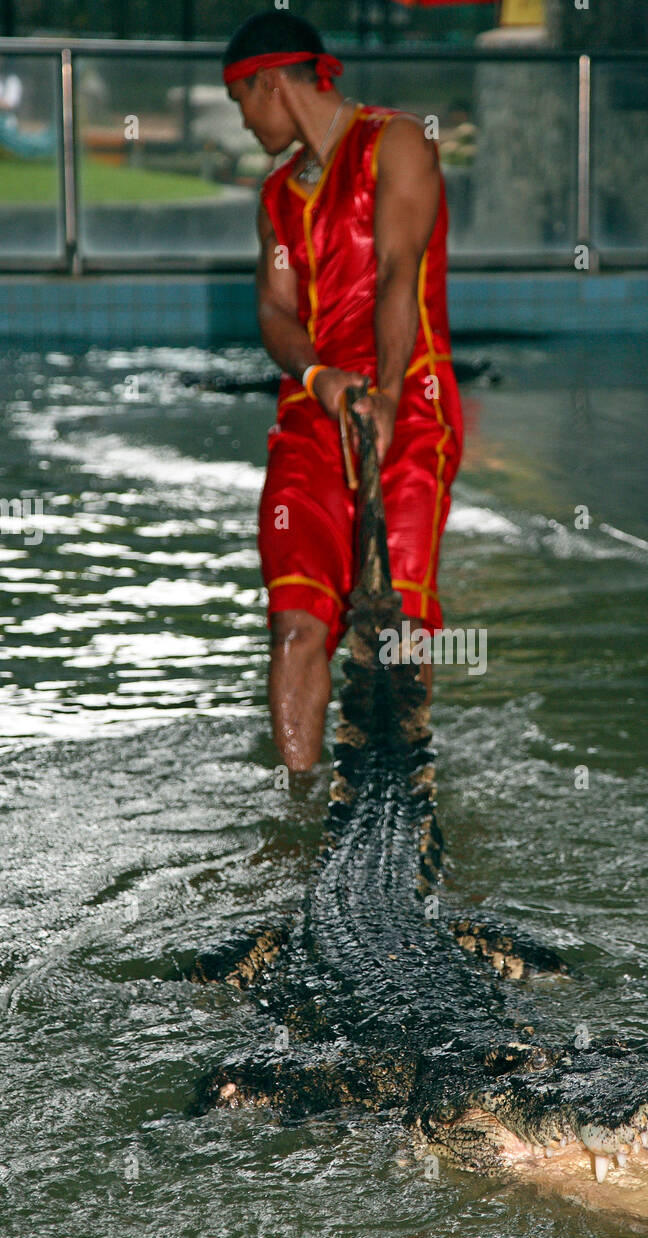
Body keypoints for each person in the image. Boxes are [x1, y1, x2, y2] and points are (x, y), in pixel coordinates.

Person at [223, 11, 463, 771]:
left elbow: (398, 271)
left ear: (267, 83)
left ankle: (399, 786)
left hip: (411, 404)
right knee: (296, 624)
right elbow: (275, 311)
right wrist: (321, 378)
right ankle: (298, 804)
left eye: (240, 102)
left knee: (398, 632)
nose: (242, 119)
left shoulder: (396, 144)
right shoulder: (276, 197)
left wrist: (386, 394)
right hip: (311, 414)